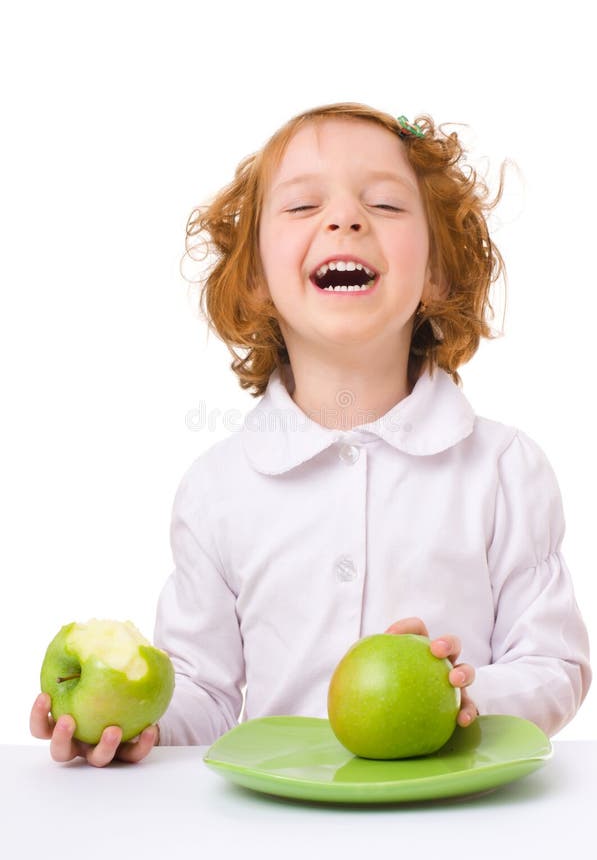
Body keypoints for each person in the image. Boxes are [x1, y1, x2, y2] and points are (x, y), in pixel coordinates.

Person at [30, 102, 592, 766]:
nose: (345, 219)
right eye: (302, 206)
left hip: (450, 813)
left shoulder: (502, 470)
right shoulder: (218, 489)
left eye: (384, 204)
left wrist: (464, 692)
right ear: (256, 279)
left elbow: (553, 665)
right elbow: (204, 694)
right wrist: (131, 725)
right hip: (273, 814)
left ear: (435, 272)